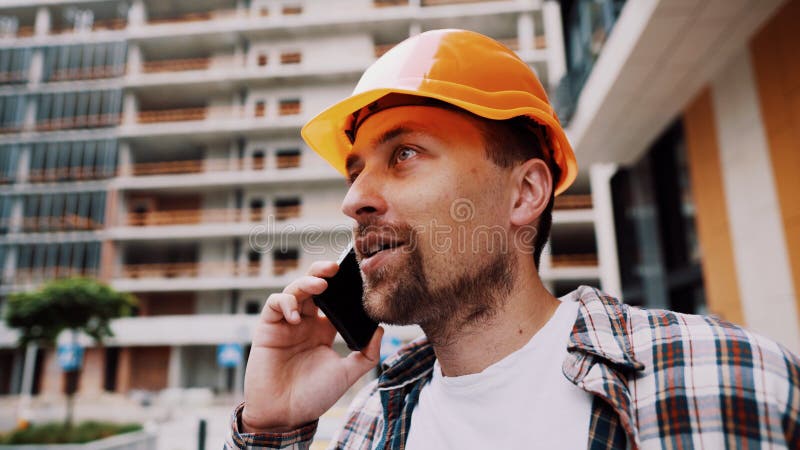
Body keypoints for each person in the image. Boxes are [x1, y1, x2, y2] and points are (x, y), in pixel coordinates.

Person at [225, 29, 800, 449]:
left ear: (524, 193)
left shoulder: (728, 379)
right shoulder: (369, 425)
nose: (353, 201)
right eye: (355, 171)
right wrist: (268, 430)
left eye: (405, 154)